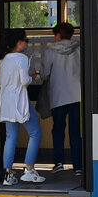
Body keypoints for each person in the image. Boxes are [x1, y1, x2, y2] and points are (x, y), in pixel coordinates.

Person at [0, 30, 45, 185]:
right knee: (35, 133)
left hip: (6, 102)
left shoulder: (3, 60)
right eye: (26, 40)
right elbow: (24, 81)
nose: (27, 43)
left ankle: (8, 174)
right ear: (19, 42)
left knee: (10, 137)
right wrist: (33, 76)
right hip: (20, 101)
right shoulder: (22, 58)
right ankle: (29, 169)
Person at [39, 21, 82, 174]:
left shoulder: (51, 52)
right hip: (77, 96)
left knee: (58, 130)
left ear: (58, 35)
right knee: (76, 132)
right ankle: (78, 166)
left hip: (58, 97)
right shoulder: (79, 49)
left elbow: (44, 74)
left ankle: (58, 162)